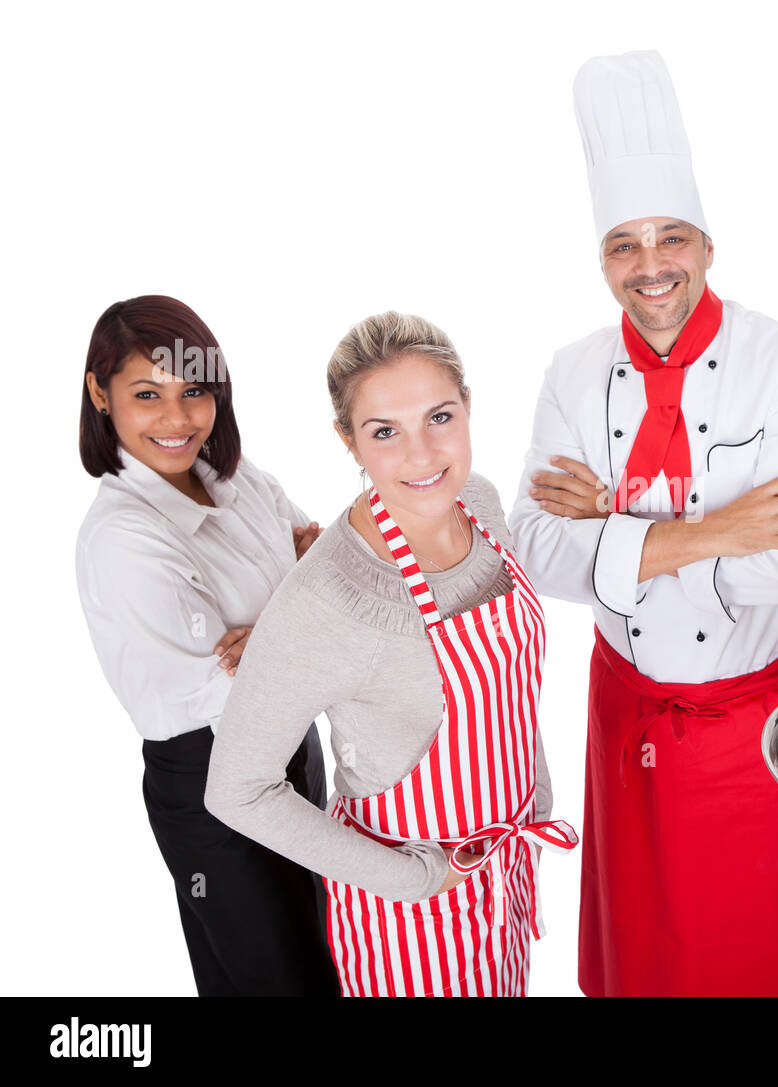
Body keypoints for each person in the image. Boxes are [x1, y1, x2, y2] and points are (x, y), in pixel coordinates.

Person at [508, 50, 778, 996]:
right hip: (627, 718)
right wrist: (720, 528)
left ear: (708, 246)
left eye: (672, 239)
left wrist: (614, 524)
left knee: (760, 957)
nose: (651, 266)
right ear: (601, 260)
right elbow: (537, 549)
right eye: (624, 245)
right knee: (647, 954)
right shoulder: (571, 372)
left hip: (757, 729)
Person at [204, 312, 577, 997]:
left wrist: (537, 796)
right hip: (408, 929)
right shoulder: (330, 596)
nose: (422, 455)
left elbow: (510, 689)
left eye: (440, 417)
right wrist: (413, 878)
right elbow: (237, 789)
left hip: (506, 880)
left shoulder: (480, 503)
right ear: (348, 440)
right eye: (384, 431)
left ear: (468, 406)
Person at [75, 294, 337, 996]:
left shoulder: (236, 477)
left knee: (326, 959)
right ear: (100, 394)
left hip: (297, 752)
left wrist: (283, 629)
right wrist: (307, 608)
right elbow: (238, 685)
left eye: (195, 391)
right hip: (213, 785)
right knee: (275, 979)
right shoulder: (123, 538)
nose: (178, 418)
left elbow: (335, 562)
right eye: (147, 395)